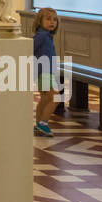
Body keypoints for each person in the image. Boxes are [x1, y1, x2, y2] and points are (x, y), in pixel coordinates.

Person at [33, 7, 59, 136]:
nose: (52, 22)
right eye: (48, 19)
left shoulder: (47, 36)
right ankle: (43, 123)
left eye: (54, 20)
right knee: (55, 97)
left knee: (44, 98)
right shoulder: (42, 36)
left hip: (46, 71)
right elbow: (30, 48)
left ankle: (38, 124)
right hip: (43, 72)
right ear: (40, 21)